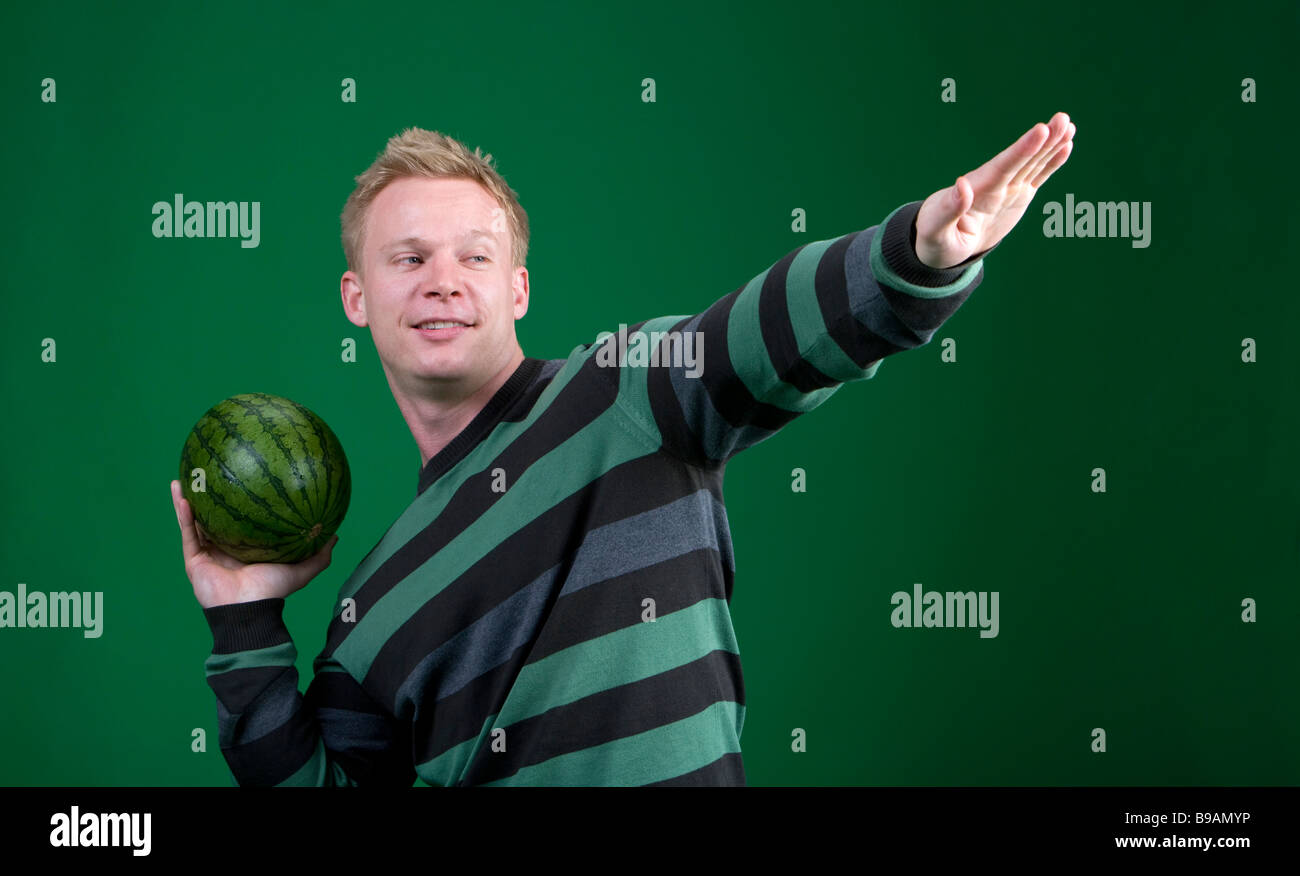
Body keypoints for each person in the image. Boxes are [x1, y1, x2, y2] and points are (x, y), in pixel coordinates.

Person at [171, 114, 1075, 785]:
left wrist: (912, 255)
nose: (442, 280)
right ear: (356, 297)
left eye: (475, 258)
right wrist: (243, 620)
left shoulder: (625, 390)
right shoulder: (372, 611)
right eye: (407, 260)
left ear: (518, 287)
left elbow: (759, 336)